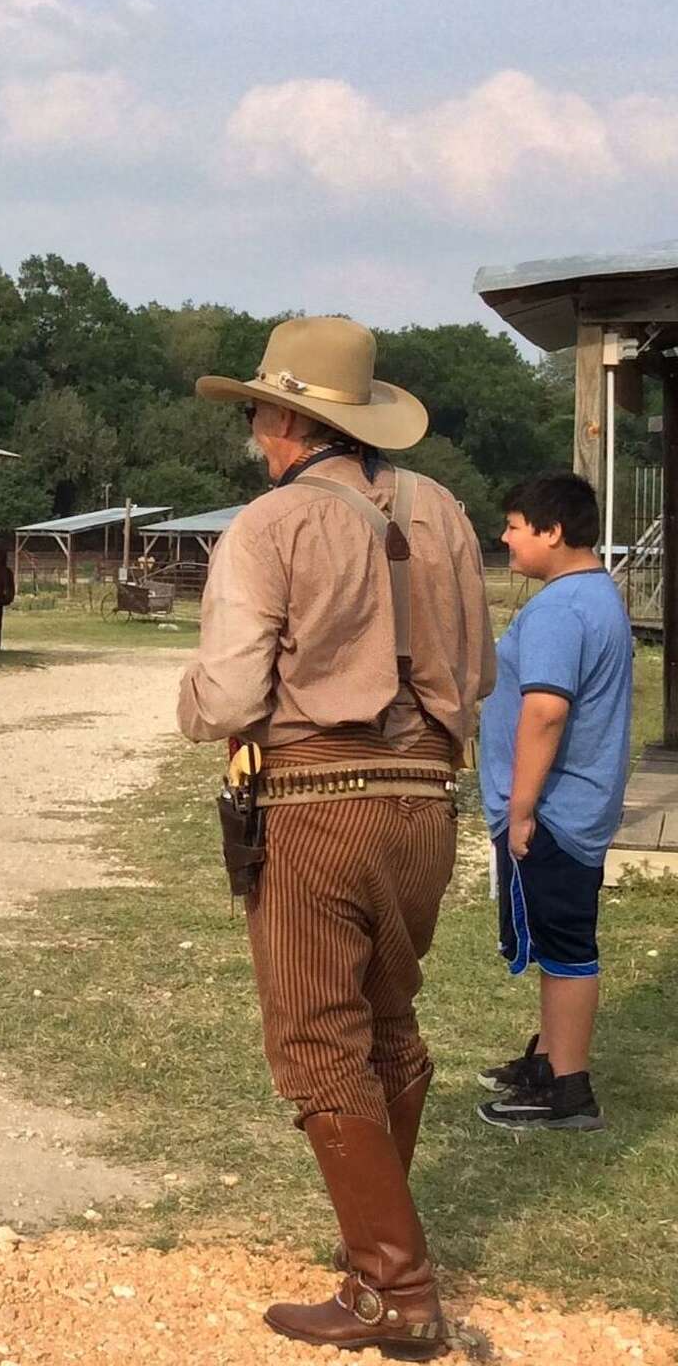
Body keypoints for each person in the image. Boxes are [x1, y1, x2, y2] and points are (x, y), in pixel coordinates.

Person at [176, 316, 493, 1356]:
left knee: (317, 1043)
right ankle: (372, 1258)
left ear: (282, 419)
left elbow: (227, 695)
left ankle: (394, 1291)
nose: (257, 435)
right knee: (389, 1023)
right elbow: (477, 669)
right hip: (424, 805)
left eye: (260, 416)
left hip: (319, 803)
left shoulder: (268, 526)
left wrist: (189, 697)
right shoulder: (443, 510)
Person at [475, 474, 629, 1133]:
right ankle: (548, 1057)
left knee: (566, 948)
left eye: (514, 525)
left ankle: (569, 1091)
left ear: (552, 531)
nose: (505, 537)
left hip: (554, 814)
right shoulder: (595, 596)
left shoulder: (561, 609)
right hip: (572, 808)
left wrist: (521, 809)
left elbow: (544, 712)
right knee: (553, 942)